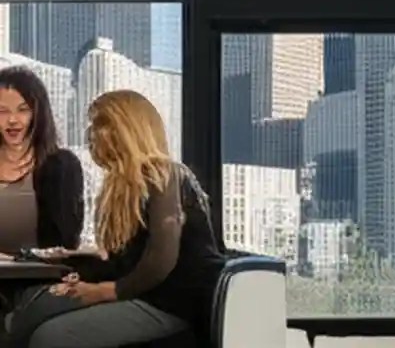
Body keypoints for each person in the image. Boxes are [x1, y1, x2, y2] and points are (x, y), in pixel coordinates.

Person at [3, 90, 226, 348]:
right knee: (36, 304)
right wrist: (82, 273)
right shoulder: (123, 188)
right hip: (143, 296)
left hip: (172, 304)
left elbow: (160, 260)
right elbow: (125, 262)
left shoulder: (166, 175)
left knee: (52, 336)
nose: (90, 135)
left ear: (125, 129)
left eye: (99, 125)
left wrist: (104, 292)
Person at [0, 67, 84, 254]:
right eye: (2, 111)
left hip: (37, 277)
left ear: (38, 114)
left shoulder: (61, 167)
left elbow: (66, 241)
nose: (12, 120)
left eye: (22, 110)